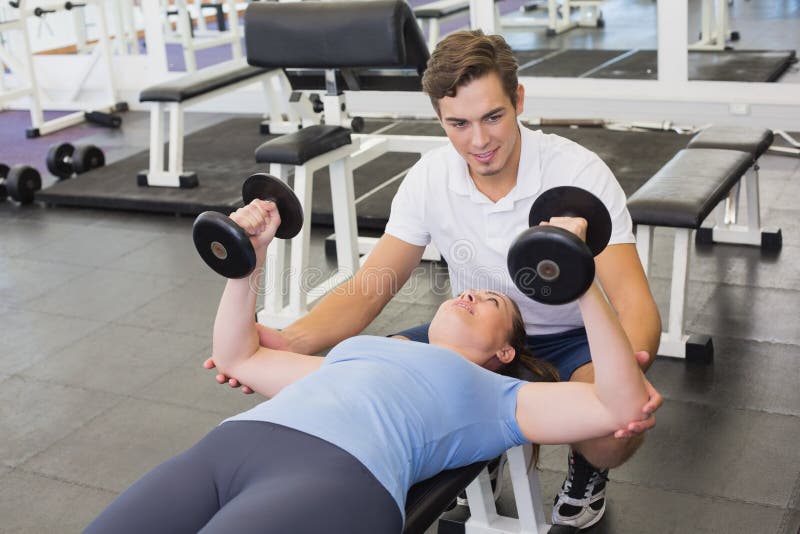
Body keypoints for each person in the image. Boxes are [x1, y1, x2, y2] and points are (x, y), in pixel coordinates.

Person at [206, 30, 663, 529]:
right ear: (439, 118)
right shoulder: (430, 177)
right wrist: (286, 343)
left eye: (493, 116)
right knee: (368, 379)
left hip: (574, 338)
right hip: (479, 332)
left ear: (519, 100)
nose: (480, 140)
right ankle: (476, 448)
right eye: (458, 124)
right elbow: (370, 286)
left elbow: (634, 304)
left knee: (617, 427)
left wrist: (632, 369)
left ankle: (588, 468)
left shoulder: (578, 172)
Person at [87, 199, 651, 534]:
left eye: (492, 303)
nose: (471, 296)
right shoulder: (363, 351)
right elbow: (240, 357)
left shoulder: (496, 396)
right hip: (226, 449)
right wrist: (248, 263)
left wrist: (580, 281)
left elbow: (616, 405)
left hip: (334, 478)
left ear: (504, 353)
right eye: (471, 292)